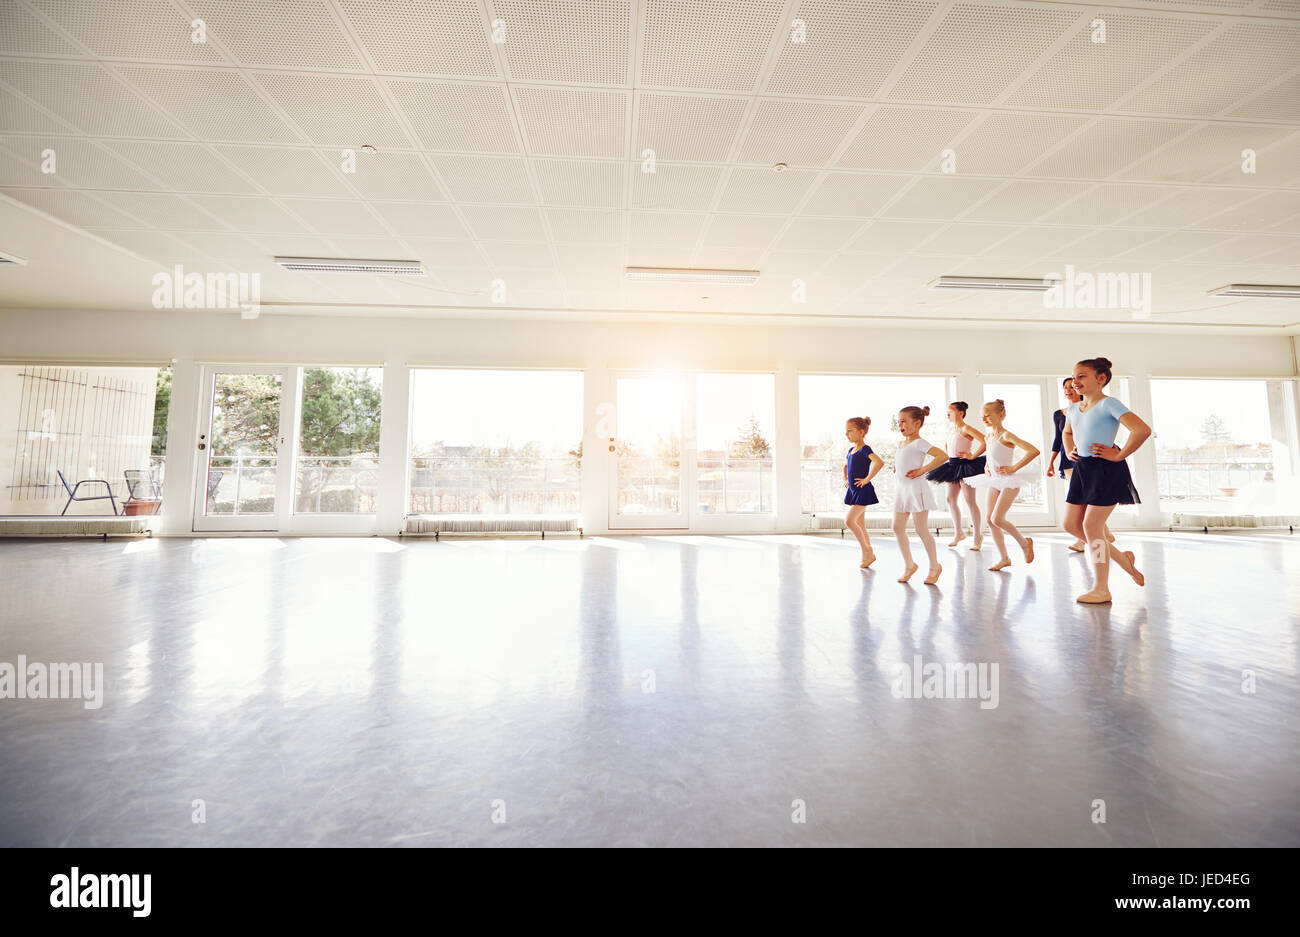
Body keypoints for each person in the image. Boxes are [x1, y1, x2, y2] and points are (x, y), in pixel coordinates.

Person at [1061, 357, 1150, 604]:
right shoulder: (1072, 409)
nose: (1075, 381)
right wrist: (1069, 450)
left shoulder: (1109, 403)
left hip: (1106, 470)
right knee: (1070, 525)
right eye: (1074, 376)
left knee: (1091, 528)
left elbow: (1141, 430)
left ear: (1101, 379)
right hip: (1082, 469)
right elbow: (1067, 432)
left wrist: (1119, 454)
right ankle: (1124, 560)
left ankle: (1101, 588)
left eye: (1082, 376)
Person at [965, 399, 1039, 571]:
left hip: (1009, 481)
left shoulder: (1006, 435)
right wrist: (986, 466)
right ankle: (1004, 558)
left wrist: (1013, 467)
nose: (984, 418)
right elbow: (992, 455)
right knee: (990, 520)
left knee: (997, 518)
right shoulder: (989, 436)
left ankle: (1025, 544)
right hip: (994, 480)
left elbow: (1033, 450)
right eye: (983, 416)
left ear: (1001, 415)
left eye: (988, 415)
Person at [1049, 377, 1112, 551]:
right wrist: (1051, 462)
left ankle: (1096, 534)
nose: (1068, 390)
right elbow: (1058, 438)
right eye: (1065, 388)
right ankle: (1094, 536)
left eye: (1071, 387)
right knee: (1079, 498)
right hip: (1069, 456)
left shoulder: (1091, 408)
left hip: (1088, 457)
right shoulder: (1060, 413)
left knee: (1090, 497)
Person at [891, 406, 949, 585]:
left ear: (917, 423)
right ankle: (909, 565)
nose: (900, 425)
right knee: (897, 527)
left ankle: (934, 566)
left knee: (921, 529)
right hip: (902, 490)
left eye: (904, 421)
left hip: (917, 489)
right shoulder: (902, 444)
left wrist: (922, 469)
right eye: (899, 421)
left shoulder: (919, 442)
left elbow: (942, 456)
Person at [924, 401, 987, 550]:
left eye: (950, 412)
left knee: (969, 500)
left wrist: (972, 456)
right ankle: (959, 533)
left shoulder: (966, 428)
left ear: (960, 413)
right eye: (947, 412)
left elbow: (985, 441)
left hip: (965, 466)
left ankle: (978, 536)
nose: (948, 414)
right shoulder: (952, 430)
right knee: (950, 499)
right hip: (952, 465)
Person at [843, 416, 885, 569]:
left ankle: (867, 551)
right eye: (845, 432)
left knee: (849, 521)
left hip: (863, 490)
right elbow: (846, 465)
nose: (847, 434)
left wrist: (867, 479)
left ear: (861, 432)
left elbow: (879, 462)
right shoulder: (850, 450)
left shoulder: (865, 449)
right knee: (860, 523)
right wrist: (846, 478)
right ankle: (868, 554)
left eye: (850, 431)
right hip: (854, 490)